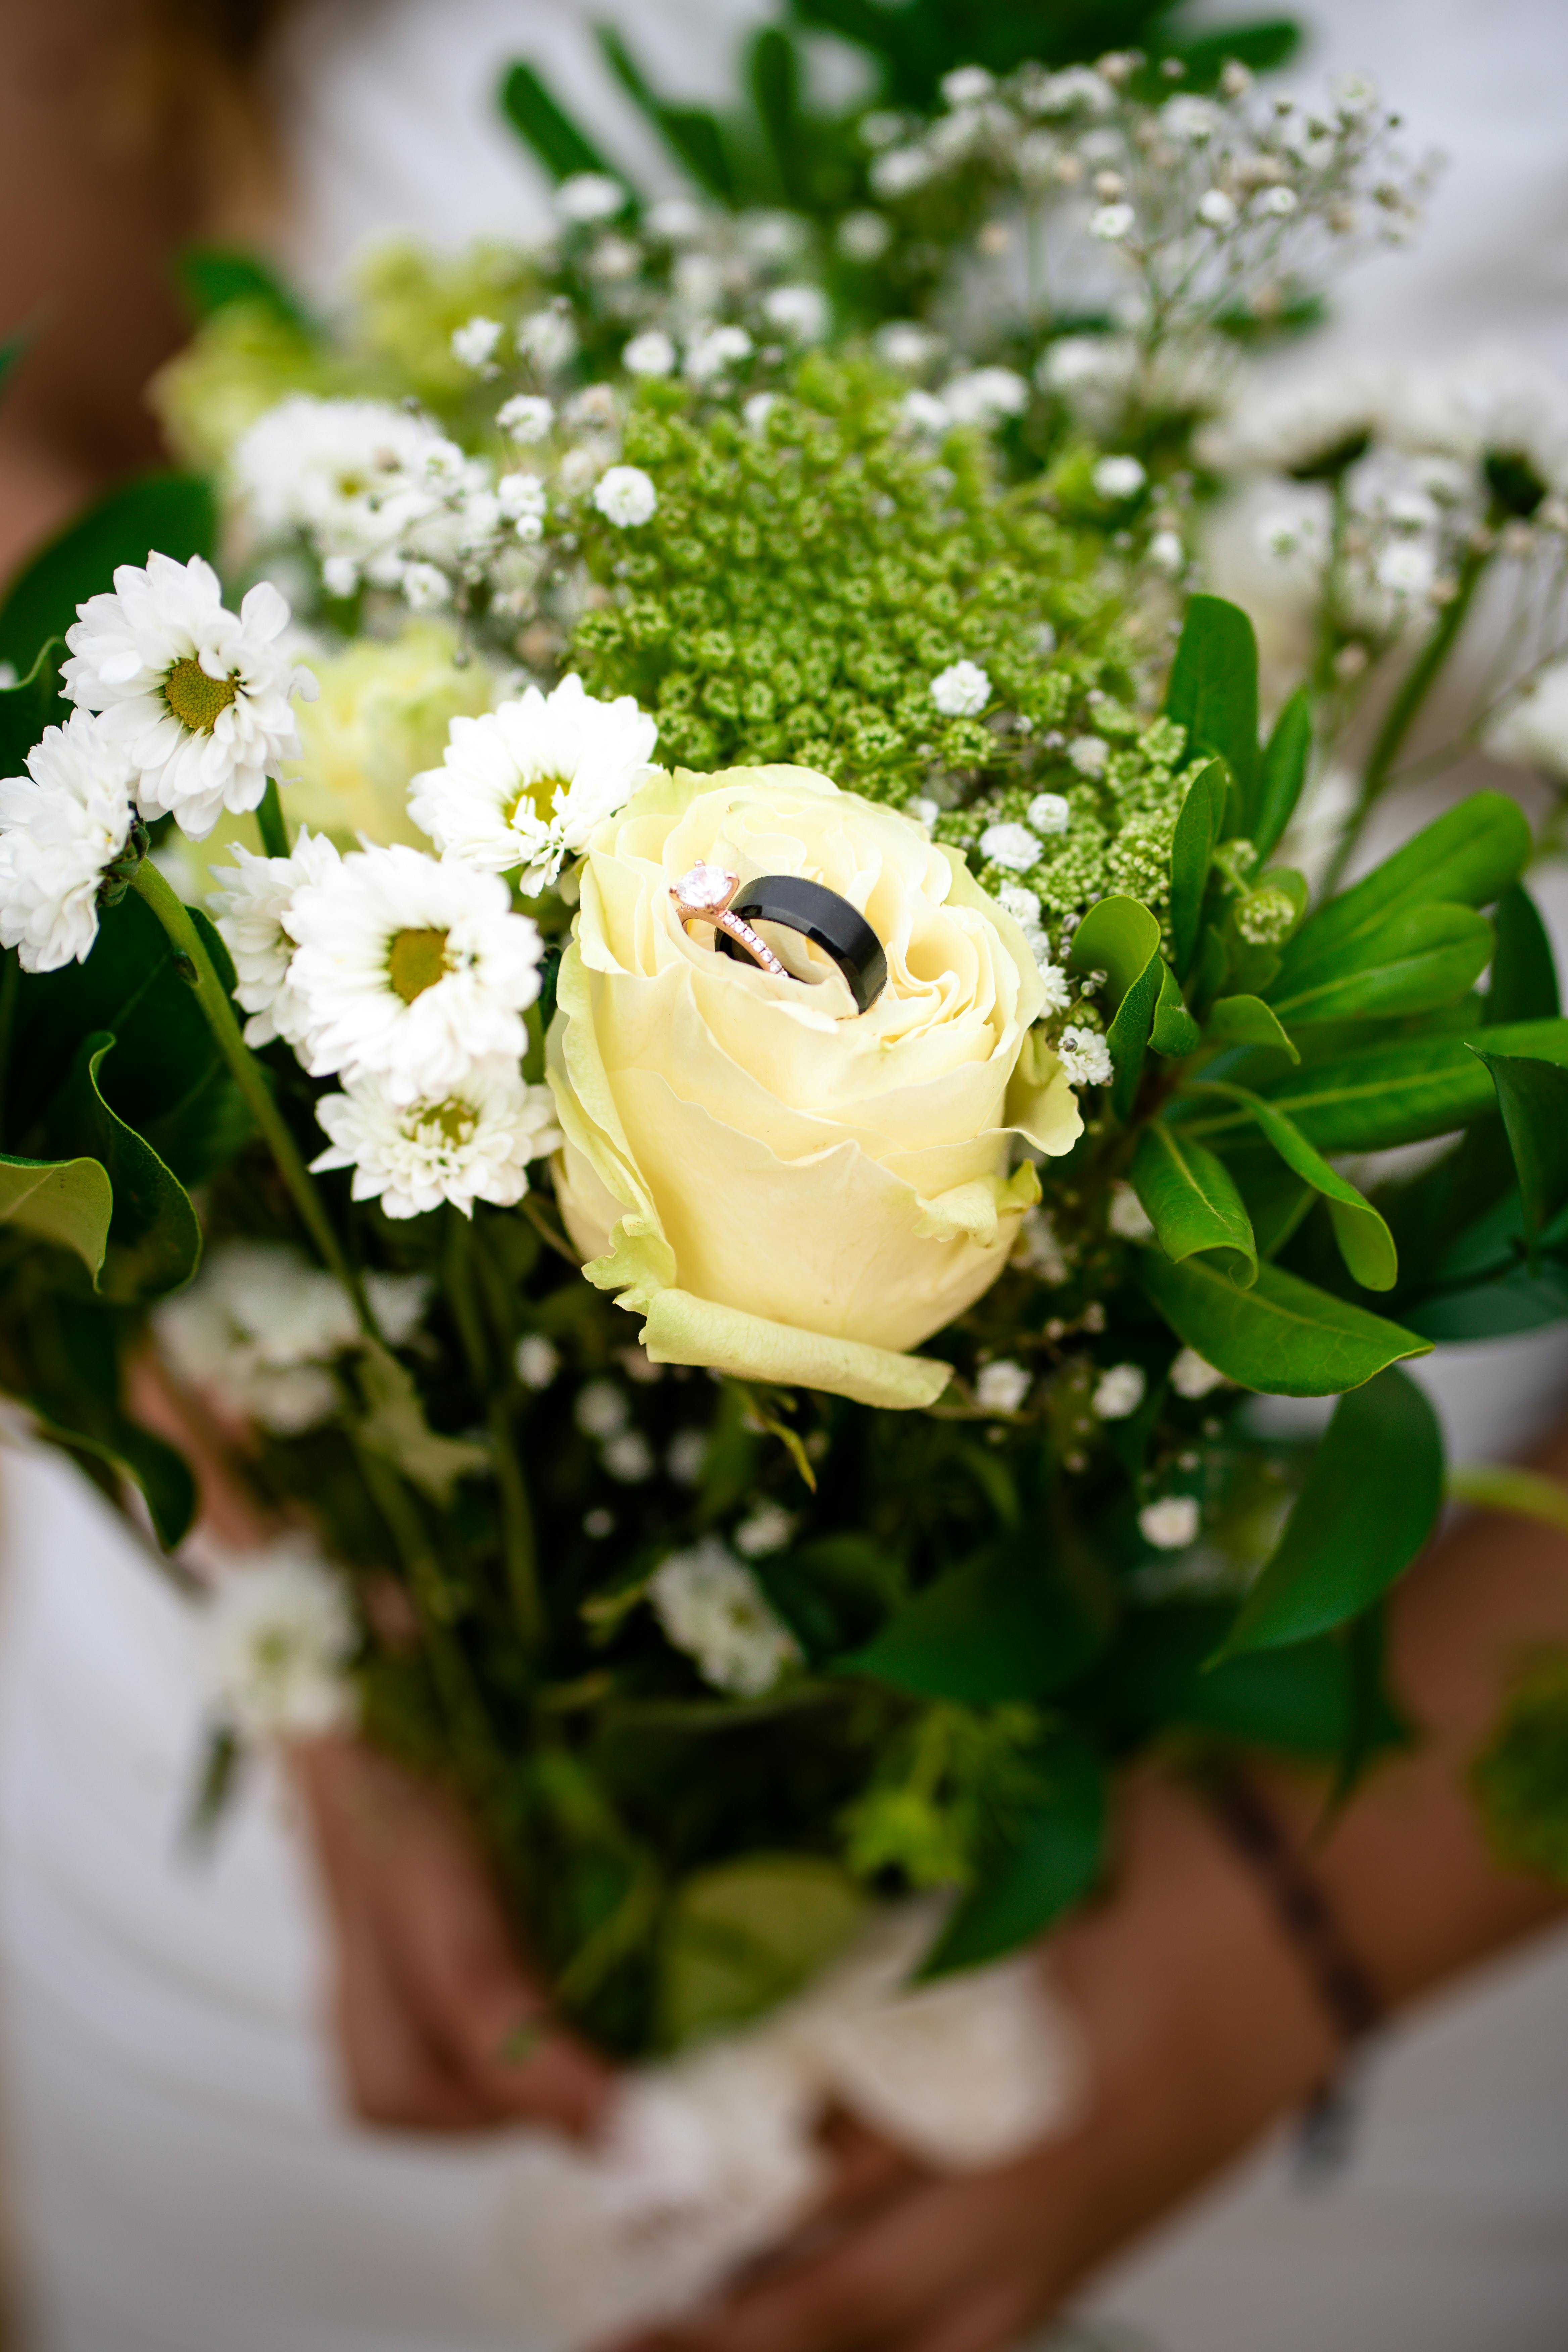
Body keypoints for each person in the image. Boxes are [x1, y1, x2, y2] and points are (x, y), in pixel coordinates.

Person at [2, 5, 1568, 2349]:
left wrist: (1273, 1964)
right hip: (296, 1699)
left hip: (1375, 1861)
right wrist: (311, 1553)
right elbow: (47, 460)